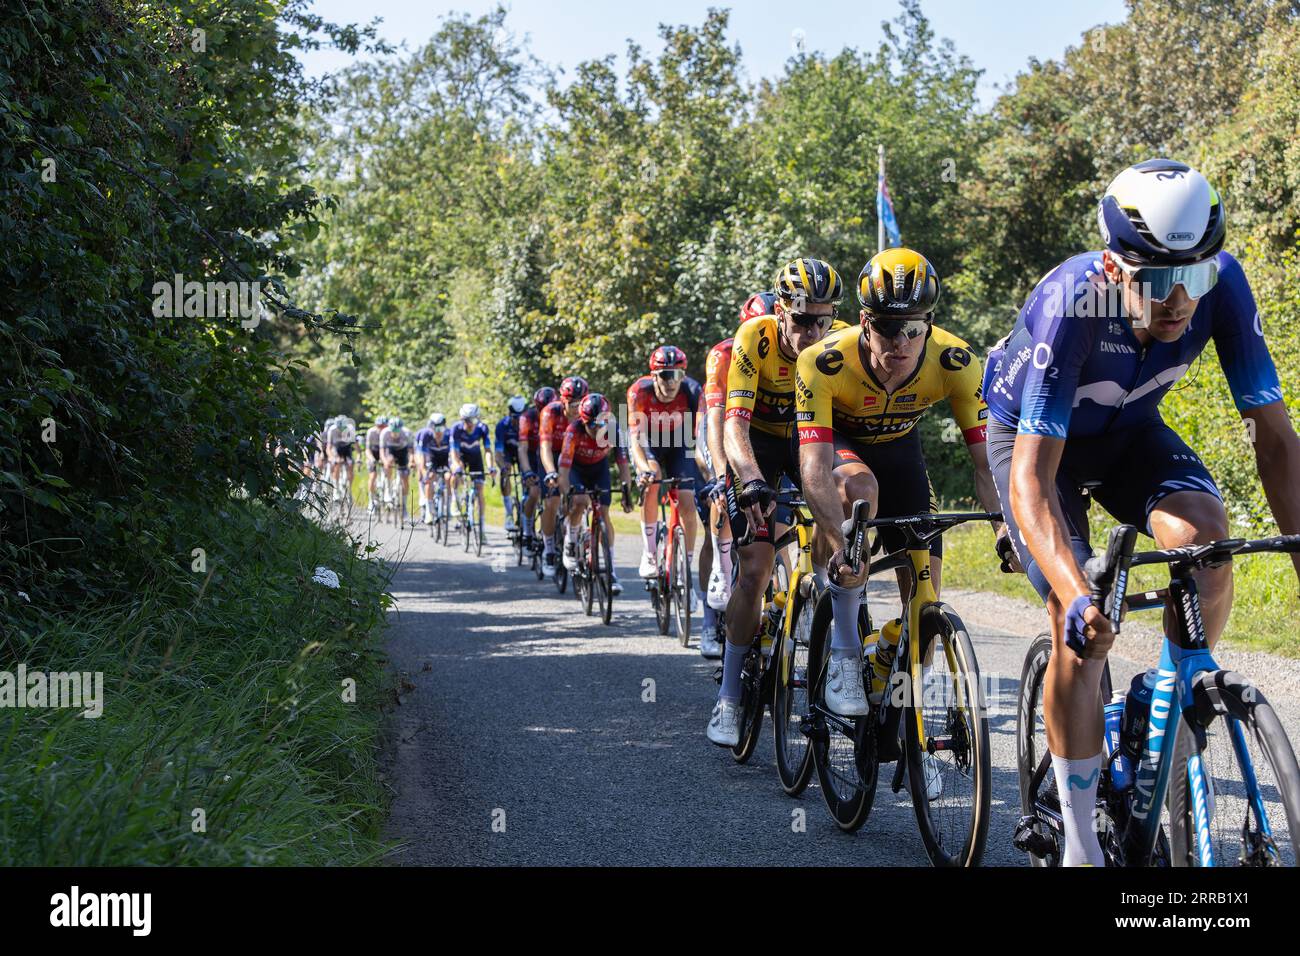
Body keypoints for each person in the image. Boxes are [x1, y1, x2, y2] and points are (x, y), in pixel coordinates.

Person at [982, 158, 1300, 866]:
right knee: (1082, 628)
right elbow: (1032, 481)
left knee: (1207, 542)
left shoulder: (1221, 285)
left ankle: (1171, 686)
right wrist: (1071, 593)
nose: (1180, 299)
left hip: (1127, 434)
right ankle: (1082, 842)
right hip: (1038, 448)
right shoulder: (1073, 302)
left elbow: (1276, 441)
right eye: (1158, 281)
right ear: (1114, 267)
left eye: (1197, 276)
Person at [796, 248, 1002, 796]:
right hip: (842, 447)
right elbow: (813, 466)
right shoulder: (823, 362)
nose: (901, 343)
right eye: (888, 327)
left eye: (913, 328)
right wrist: (837, 538)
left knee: (926, 600)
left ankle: (909, 732)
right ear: (865, 321)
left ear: (928, 323)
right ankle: (843, 649)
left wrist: (1005, 527)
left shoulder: (955, 362)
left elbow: (987, 464)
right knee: (861, 493)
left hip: (900, 453)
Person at [707, 257, 847, 747]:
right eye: (803, 320)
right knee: (755, 566)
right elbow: (734, 423)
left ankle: (826, 613)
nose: (814, 331)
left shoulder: (839, 339)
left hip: (809, 441)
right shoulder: (755, 338)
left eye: (824, 320)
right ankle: (728, 696)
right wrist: (747, 479)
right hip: (759, 446)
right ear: (781, 311)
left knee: (836, 530)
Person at [696, 291, 777, 658]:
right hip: (720, 429)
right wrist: (719, 471)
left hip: (762, 435)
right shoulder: (724, 354)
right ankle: (717, 568)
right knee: (723, 491)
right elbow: (716, 420)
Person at [626, 346, 703, 604]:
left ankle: (684, 573)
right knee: (652, 479)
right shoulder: (639, 392)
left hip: (680, 443)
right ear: (654, 375)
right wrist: (644, 468)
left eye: (677, 375)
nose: (671, 382)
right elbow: (635, 438)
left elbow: (701, 432)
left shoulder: (692, 391)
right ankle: (649, 554)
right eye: (665, 375)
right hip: (649, 442)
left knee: (687, 501)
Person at [557, 393, 634, 594]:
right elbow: (563, 473)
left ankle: (611, 571)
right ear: (583, 421)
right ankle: (571, 541)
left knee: (605, 512)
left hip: (599, 468)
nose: (599, 429)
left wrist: (626, 492)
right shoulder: (573, 431)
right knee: (580, 501)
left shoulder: (615, 429)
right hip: (576, 469)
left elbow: (623, 466)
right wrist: (567, 497)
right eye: (593, 426)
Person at [537, 377, 588, 578]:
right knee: (552, 500)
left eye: (580, 403)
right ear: (562, 401)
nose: (577, 409)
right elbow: (545, 447)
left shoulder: (587, 413)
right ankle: (548, 548)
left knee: (579, 497)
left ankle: (571, 531)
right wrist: (550, 471)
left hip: (574, 455)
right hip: (551, 454)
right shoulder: (550, 412)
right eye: (572, 404)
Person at [518, 387, 557, 551]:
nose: (545, 412)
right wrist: (527, 471)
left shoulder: (558, 414)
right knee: (534, 493)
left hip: (550, 455)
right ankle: (527, 530)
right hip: (532, 457)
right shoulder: (527, 418)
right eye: (541, 408)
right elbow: (522, 449)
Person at [449, 403, 493, 533]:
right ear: (462, 419)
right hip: (460, 456)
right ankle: (454, 498)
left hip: (475, 456)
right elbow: (454, 452)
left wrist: (490, 467)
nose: (470, 424)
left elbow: (488, 450)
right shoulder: (456, 429)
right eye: (467, 420)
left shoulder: (482, 428)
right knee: (455, 472)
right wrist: (457, 466)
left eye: (473, 420)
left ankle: (482, 528)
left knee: (479, 490)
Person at [495, 396, 528, 533]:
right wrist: (503, 467)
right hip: (508, 453)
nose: (518, 421)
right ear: (509, 414)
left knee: (528, 477)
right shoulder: (502, 425)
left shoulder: (530, 423)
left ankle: (527, 510)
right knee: (505, 472)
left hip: (523, 452)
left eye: (521, 418)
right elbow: (498, 453)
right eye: (515, 418)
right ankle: (509, 514)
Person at [416, 413, 451, 524]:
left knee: (449, 477)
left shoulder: (449, 434)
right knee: (429, 478)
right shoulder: (425, 435)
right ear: (430, 428)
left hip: (445, 458)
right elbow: (422, 457)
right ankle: (429, 511)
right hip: (432, 458)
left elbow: (454, 454)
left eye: (440, 428)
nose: (438, 431)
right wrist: (424, 472)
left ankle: (448, 507)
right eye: (435, 428)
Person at [381, 416, 415, 523]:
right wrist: (385, 461)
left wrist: (411, 461)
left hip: (403, 452)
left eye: (397, 431)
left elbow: (411, 451)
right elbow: (382, 451)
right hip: (390, 451)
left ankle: (404, 506)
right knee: (388, 462)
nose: (395, 434)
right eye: (393, 431)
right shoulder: (385, 433)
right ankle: (388, 489)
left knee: (405, 478)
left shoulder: (407, 433)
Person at [365, 415, 388, 512]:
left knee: (388, 472)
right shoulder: (371, 432)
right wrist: (372, 459)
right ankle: (371, 500)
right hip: (373, 453)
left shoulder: (388, 433)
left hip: (385, 453)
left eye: (383, 426)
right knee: (373, 476)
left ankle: (387, 495)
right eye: (379, 426)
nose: (381, 428)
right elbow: (367, 449)